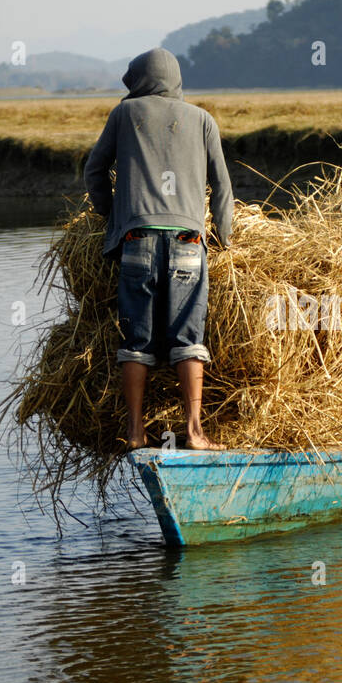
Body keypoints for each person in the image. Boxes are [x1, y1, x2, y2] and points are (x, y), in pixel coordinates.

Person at [84, 47, 234, 451]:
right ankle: (194, 433)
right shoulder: (203, 119)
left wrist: (112, 216)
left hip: (138, 241)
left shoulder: (124, 115)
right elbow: (222, 187)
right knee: (189, 337)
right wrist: (224, 237)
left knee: (136, 340)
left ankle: (135, 433)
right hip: (188, 240)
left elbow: (94, 170)